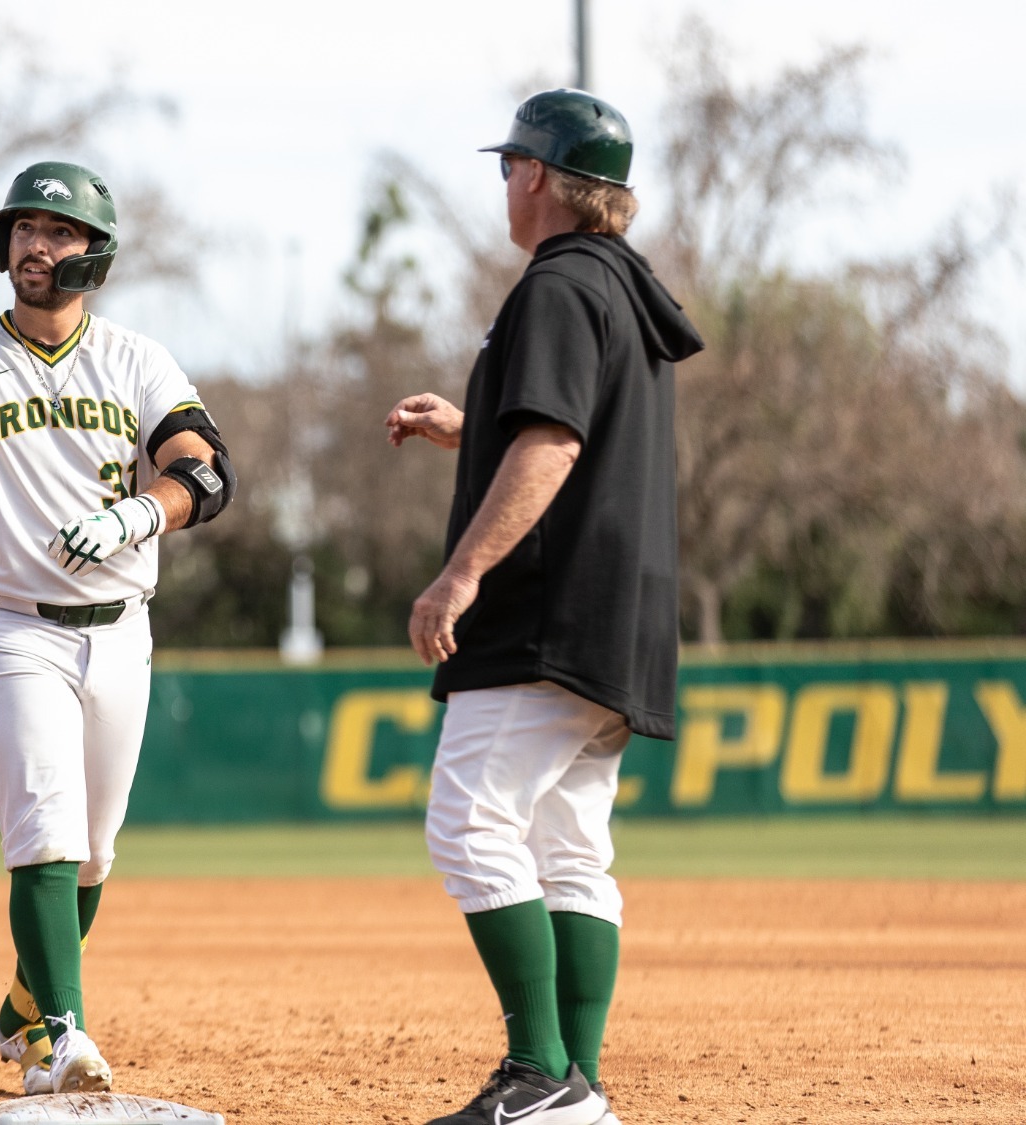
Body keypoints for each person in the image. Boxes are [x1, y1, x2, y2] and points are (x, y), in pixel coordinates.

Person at [0, 161, 237, 1096]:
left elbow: (205, 472)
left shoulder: (136, 358)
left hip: (119, 627)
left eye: (61, 230)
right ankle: (60, 1038)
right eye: (25, 228)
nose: (38, 245)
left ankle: (24, 1001)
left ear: (96, 253)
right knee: (46, 828)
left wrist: (140, 514)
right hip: (5, 626)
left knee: (96, 852)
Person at [385, 89, 704, 1125]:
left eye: (506, 166)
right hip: (619, 616)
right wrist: (470, 423)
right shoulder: (620, 285)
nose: (503, 185)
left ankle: (538, 1073)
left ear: (534, 176)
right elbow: (575, 427)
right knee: (567, 846)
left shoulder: (556, 285)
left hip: (544, 615)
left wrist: (460, 574)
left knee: (469, 824)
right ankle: (579, 1090)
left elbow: (555, 443)